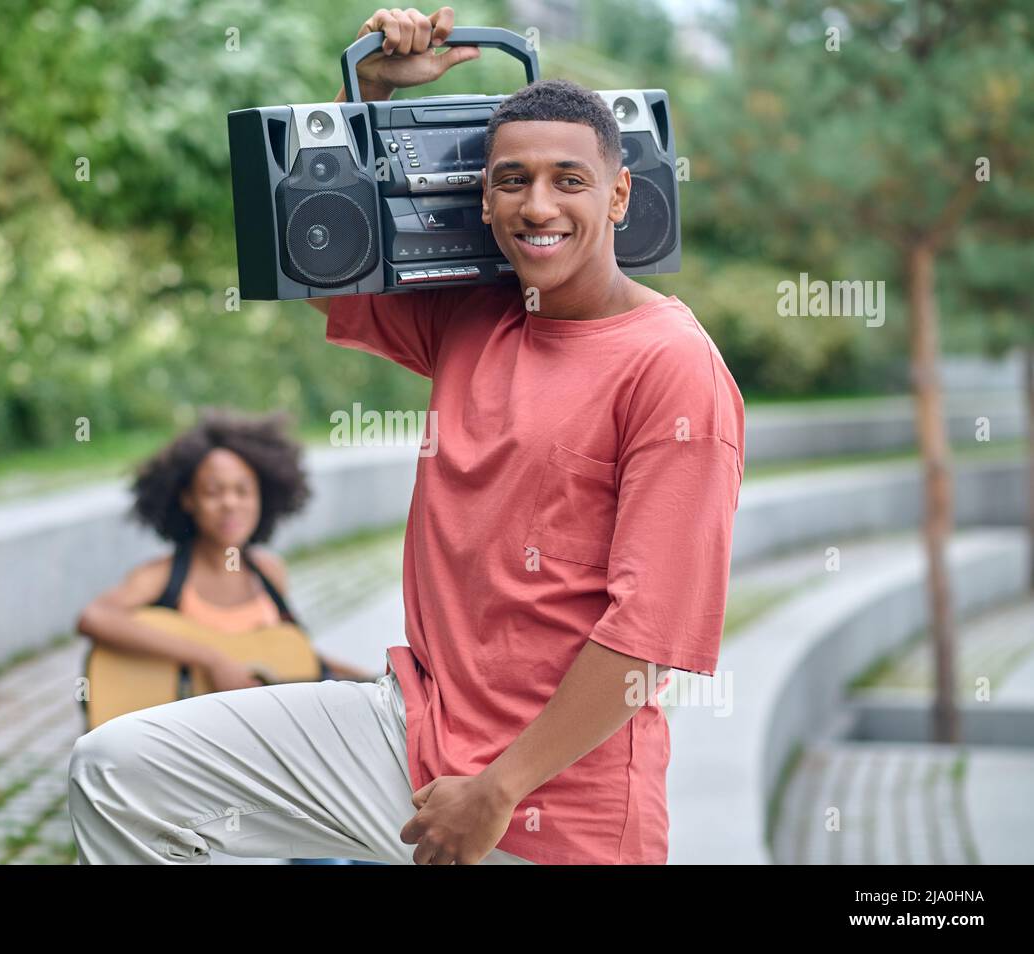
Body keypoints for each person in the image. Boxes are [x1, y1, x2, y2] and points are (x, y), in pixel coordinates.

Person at [69, 5, 744, 865]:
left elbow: (649, 641)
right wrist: (368, 96)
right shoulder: (476, 316)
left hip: (552, 805)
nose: (538, 205)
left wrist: (497, 791)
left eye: (569, 180)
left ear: (620, 193)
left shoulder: (673, 367)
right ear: (486, 197)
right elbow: (321, 267)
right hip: (410, 732)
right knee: (120, 769)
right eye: (511, 180)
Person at [74, 406, 377, 864]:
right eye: (214, 492)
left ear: (264, 498)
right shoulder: (163, 575)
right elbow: (94, 617)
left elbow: (295, 660)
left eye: (243, 490)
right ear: (187, 500)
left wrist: (375, 678)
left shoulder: (269, 574)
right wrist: (210, 660)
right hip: (193, 758)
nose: (230, 503)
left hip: (264, 753)